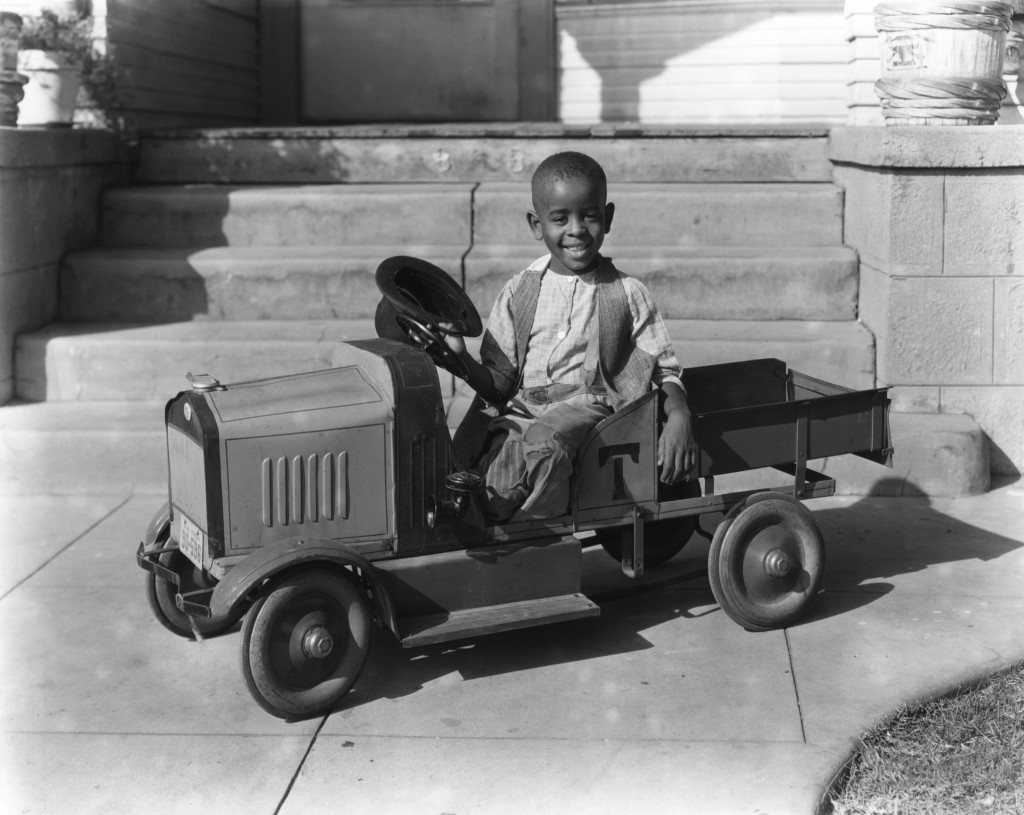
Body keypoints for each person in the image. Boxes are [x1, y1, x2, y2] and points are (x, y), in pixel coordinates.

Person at [442, 151, 696, 522]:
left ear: (607, 218)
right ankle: (494, 527)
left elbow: (664, 371)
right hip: (522, 410)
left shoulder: (626, 292)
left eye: (589, 216)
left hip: (586, 407)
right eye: (560, 218)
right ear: (536, 224)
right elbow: (497, 380)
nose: (576, 229)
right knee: (501, 460)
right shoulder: (519, 291)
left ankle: (541, 533)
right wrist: (459, 358)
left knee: (545, 445)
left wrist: (679, 417)